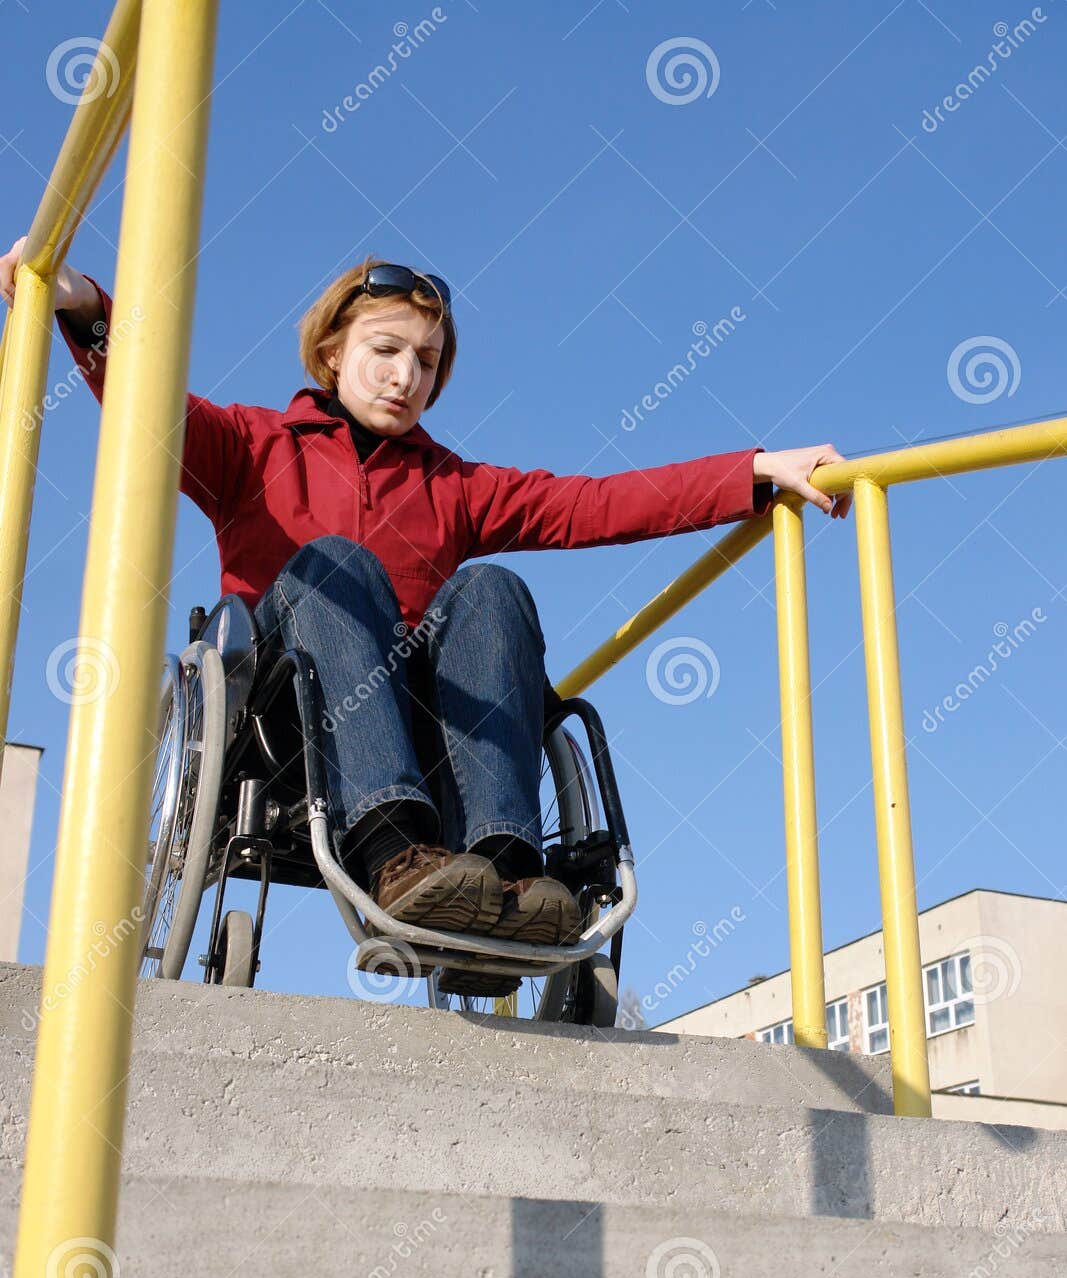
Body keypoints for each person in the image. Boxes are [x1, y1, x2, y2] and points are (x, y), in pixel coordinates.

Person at [0, 240, 852, 951]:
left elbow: (595, 504)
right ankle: (395, 852)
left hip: (413, 722)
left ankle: (510, 869)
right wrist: (85, 310)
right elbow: (151, 409)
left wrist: (751, 472)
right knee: (337, 562)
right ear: (333, 352)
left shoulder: (456, 486)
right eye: (385, 351)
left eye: (427, 361)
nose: (406, 376)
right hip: (285, 715)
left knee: (492, 587)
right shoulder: (254, 448)